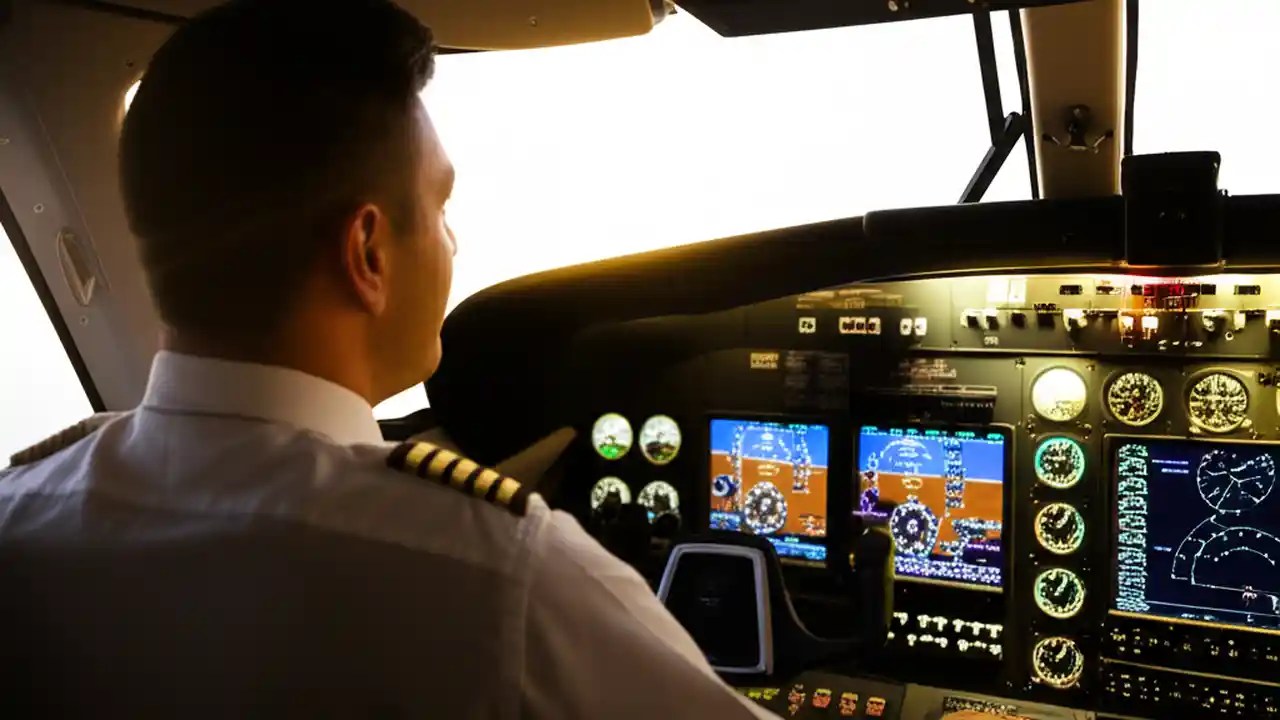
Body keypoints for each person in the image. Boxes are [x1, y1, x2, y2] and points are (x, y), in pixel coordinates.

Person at [0, 1, 775, 717]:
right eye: (440, 207)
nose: (452, 241)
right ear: (367, 251)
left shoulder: (21, 515)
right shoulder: (505, 578)